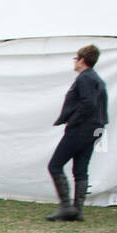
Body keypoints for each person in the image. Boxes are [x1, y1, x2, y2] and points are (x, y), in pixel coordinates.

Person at [47, 44, 109, 222]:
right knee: (81, 169)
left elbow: (87, 103)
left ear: (82, 59)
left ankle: (66, 207)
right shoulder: (97, 79)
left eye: (75, 58)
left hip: (81, 129)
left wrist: (73, 121)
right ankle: (77, 210)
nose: (74, 62)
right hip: (95, 129)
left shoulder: (84, 78)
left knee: (55, 165)